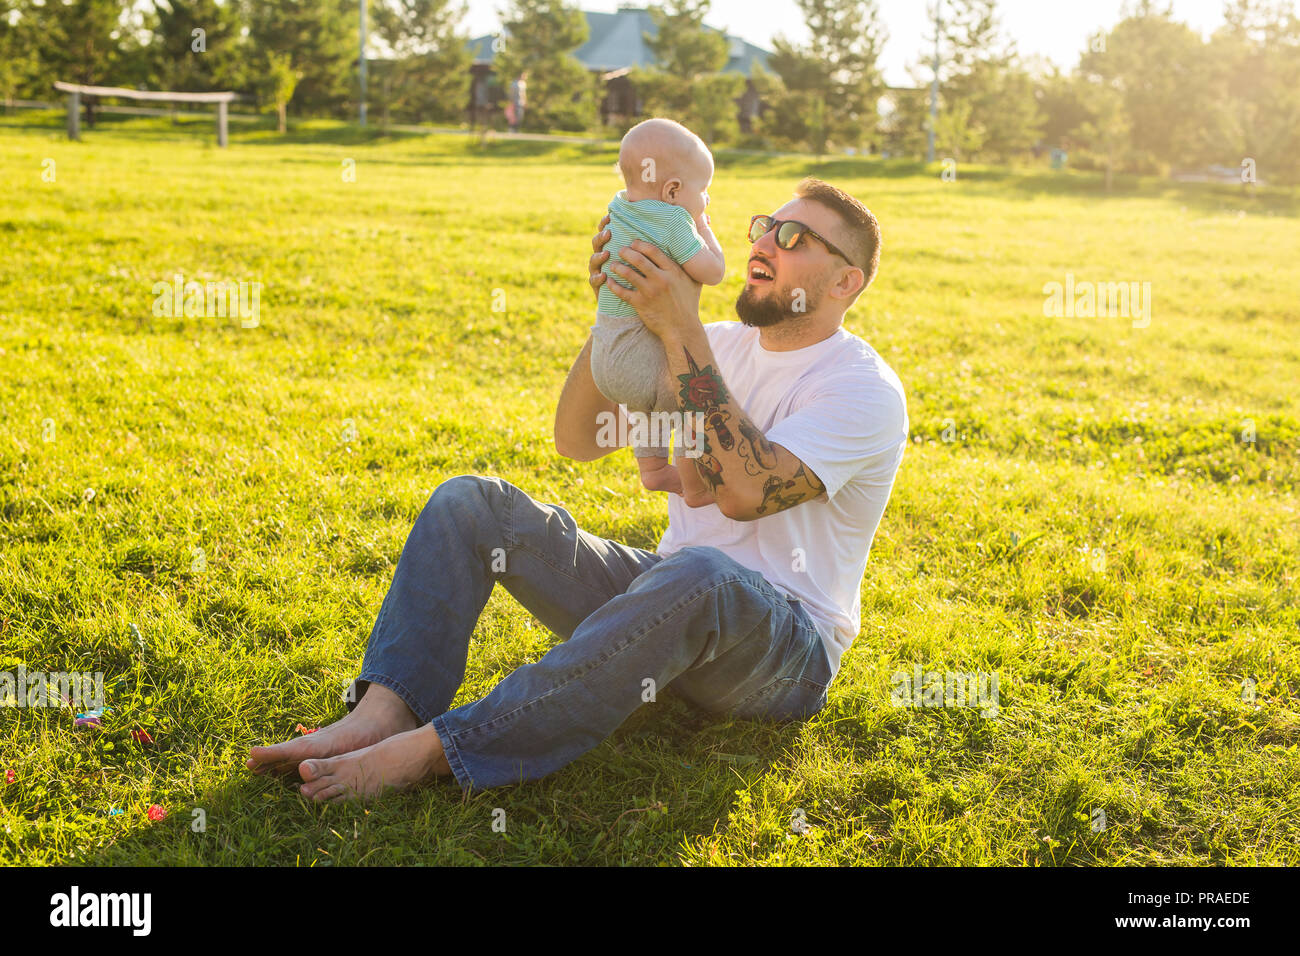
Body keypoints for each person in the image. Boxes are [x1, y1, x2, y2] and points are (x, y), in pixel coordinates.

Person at [245, 177, 908, 800]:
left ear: (846, 281)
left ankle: (432, 751)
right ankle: (384, 713)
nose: (763, 243)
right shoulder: (720, 345)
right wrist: (614, 313)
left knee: (702, 574)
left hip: (782, 653)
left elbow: (743, 491)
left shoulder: (860, 389)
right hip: (670, 599)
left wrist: (680, 328)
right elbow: (582, 435)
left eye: (793, 239)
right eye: (766, 227)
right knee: (471, 502)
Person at [590, 118, 725, 504]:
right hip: (643, 361)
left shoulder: (618, 208)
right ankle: (695, 482)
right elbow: (712, 272)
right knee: (688, 399)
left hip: (608, 358)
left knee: (647, 407)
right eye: (704, 192)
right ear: (673, 191)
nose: (706, 200)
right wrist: (703, 226)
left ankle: (652, 469)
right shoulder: (672, 219)